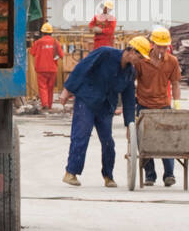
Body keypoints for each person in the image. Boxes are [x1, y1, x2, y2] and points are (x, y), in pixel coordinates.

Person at [60, 39, 142, 188]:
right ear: (131, 51)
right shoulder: (105, 53)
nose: (140, 60)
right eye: (140, 56)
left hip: (106, 107)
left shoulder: (130, 72)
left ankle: (108, 176)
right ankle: (71, 173)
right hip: (87, 101)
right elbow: (82, 68)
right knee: (81, 135)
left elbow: (129, 99)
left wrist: (129, 125)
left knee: (108, 142)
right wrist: (67, 90)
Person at [133, 25, 182, 188]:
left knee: (166, 141)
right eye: (159, 46)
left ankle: (169, 174)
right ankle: (150, 174)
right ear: (152, 44)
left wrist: (177, 103)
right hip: (143, 105)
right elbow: (132, 81)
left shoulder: (172, 61)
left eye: (165, 46)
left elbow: (175, 83)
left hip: (163, 105)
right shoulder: (141, 61)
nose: (162, 49)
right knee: (144, 141)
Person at [30, 22, 63, 111]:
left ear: (42, 32)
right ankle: (49, 105)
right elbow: (61, 55)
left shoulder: (38, 42)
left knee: (42, 87)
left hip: (41, 69)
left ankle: (45, 104)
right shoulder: (56, 42)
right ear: (51, 33)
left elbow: (32, 53)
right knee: (50, 88)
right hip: (52, 69)